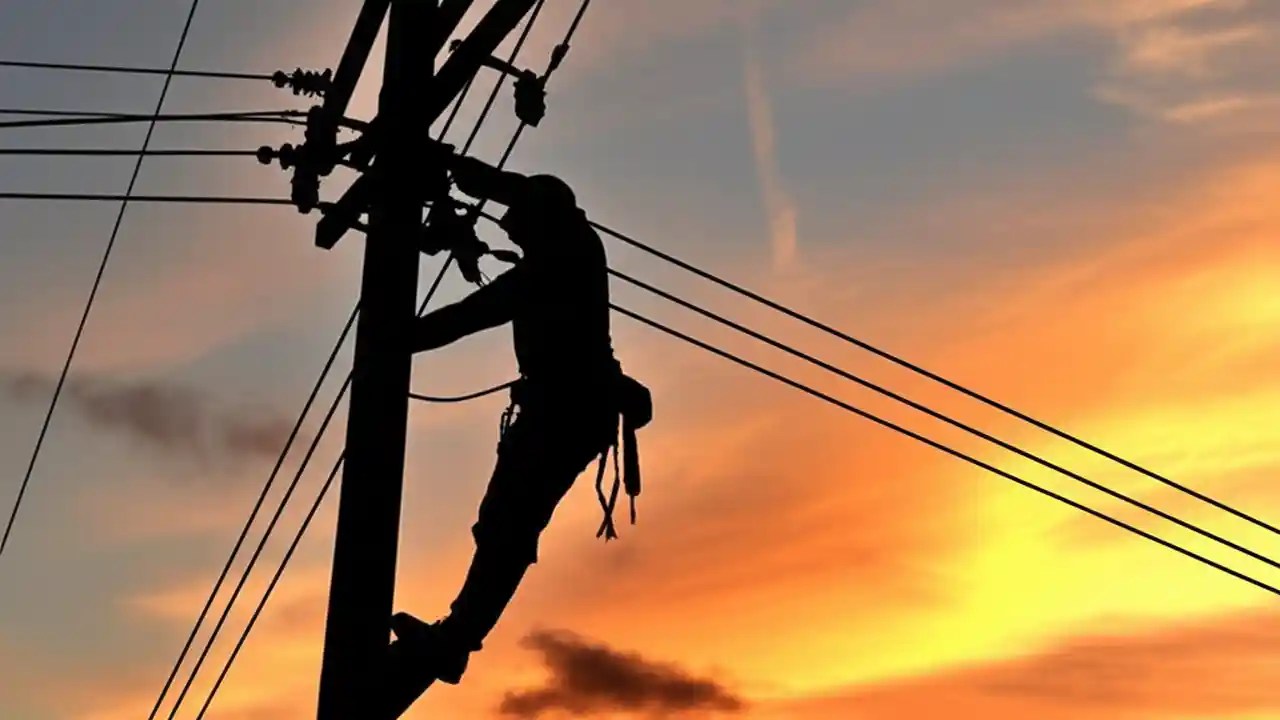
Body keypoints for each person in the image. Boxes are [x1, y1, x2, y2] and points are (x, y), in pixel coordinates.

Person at [387, 156, 651, 695]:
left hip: (567, 411)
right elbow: (515, 191)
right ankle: (457, 635)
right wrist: (458, 166)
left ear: (539, 224)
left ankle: (457, 638)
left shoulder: (554, 264)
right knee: (503, 526)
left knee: (507, 528)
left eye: (522, 227)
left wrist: (393, 339)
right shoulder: (569, 246)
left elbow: (470, 314)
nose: (516, 233)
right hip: (568, 410)